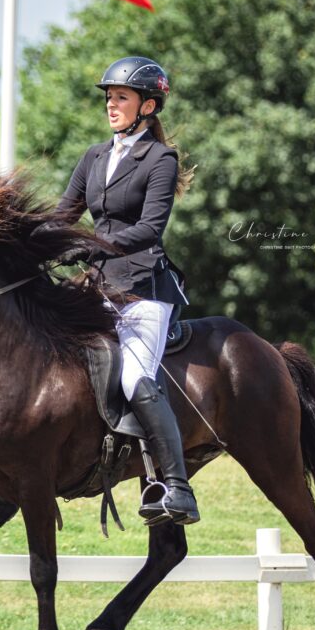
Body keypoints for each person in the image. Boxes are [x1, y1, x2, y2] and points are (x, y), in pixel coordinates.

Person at [44, 56, 198, 526]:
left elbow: (150, 229)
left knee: (134, 378)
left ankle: (176, 486)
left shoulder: (160, 159)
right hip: (95, 287)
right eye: (109, 96)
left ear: (147, 105)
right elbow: (62, 216)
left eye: (122, 97)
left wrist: (88, 247)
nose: (111, 104)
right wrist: (23, 240)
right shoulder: (93, 156)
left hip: (141, 289)